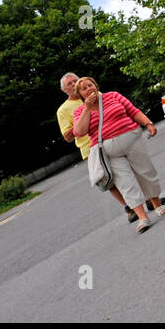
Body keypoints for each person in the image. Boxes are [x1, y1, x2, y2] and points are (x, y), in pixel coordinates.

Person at [72, 77, 165, 234]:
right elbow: (80, 131)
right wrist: (87, 108)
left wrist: (148, 123)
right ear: (80, 94)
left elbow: (133, 111)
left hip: (132, 140)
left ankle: (157, 205)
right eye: (84, 88)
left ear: (96, 85)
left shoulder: (113, 96)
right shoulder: (80, 111)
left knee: (146, 173)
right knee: (125, 183)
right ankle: (142, 217)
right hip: (109, 152)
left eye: (90, 85)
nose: (88, 89)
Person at [57, 72, 143, 223]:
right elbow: (68, 136)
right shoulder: (63, 110)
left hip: (113, 137)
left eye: (75, 81)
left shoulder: (96, 93)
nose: (73, 84)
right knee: (108, 178)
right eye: (69, 84)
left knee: (129, 171)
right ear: (64, 90)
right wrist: (82, 118)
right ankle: (128, 207)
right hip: (90, 147)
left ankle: (146, 199)